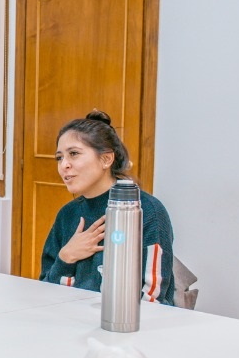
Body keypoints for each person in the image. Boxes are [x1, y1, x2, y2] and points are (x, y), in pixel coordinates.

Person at [39, 111, 175, 304]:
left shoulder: (147, 211)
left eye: (74, 154)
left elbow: (153, 299)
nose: (64, 165)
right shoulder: (68, 214)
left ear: (106, 159)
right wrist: (66, 256)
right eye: (59, 158)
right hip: (71, 322)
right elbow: (46, 290)